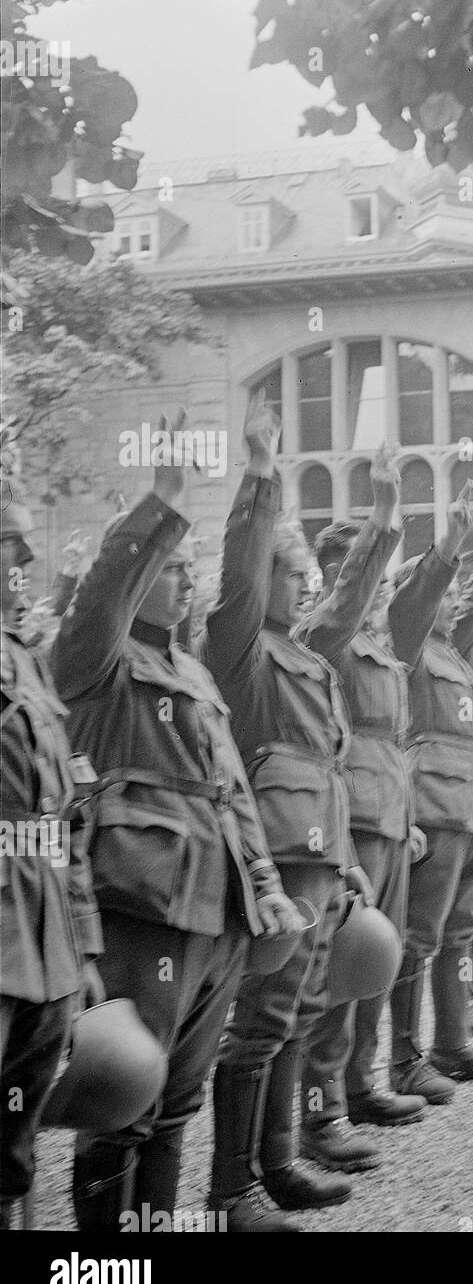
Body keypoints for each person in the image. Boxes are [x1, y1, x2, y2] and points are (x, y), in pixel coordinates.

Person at [51, 411, 302, 1233]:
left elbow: (232, 793)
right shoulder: (97, 661)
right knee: (123, 1098)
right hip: (145, 910)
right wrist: (162, 504)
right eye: (172, 567)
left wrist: (263, 886)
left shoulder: (192, 668)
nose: (186, 579)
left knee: (174, 1107)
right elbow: (103, 593)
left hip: (217, 917)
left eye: (190, 569)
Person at [203, 399, 399, 1223]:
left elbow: (350, 602)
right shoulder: (242, 648)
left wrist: (386, 516)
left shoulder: (310, 655)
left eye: (305, 576)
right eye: (293, 574)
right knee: (255, 1026)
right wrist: (260, 477)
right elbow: (243, 572)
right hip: (273, 861)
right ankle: (230, 1187)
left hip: (320, 856)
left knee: (296, 1013)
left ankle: (279, 1159)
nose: (305, 584)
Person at [297, 481, 472, 1152]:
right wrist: (381, 527)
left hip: (390, 813)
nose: (362, 587)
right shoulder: (327, 634)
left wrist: (450, 548)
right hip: (351, 818)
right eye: (353, 573)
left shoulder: (375, 640)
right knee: (342, 967)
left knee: (379, 957)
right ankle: (320, 1112)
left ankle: (362, 1082)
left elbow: (418, 603)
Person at [387, 491, 473, 1104]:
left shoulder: (454, 650)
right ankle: (404, 1060)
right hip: (436, 804)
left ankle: (452, 1041)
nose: (450, 601)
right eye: (440, 592)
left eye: (451, 593)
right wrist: (447, 547)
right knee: (422, 933)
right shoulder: (408, 641)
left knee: (461, 928)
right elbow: (419, 599)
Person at [1, 489, 102, 1230]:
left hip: (41, 943)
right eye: (11, 542)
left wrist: (84, 944)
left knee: (13, 1144)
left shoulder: (25, 663)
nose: (25, 560)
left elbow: (60, 822)